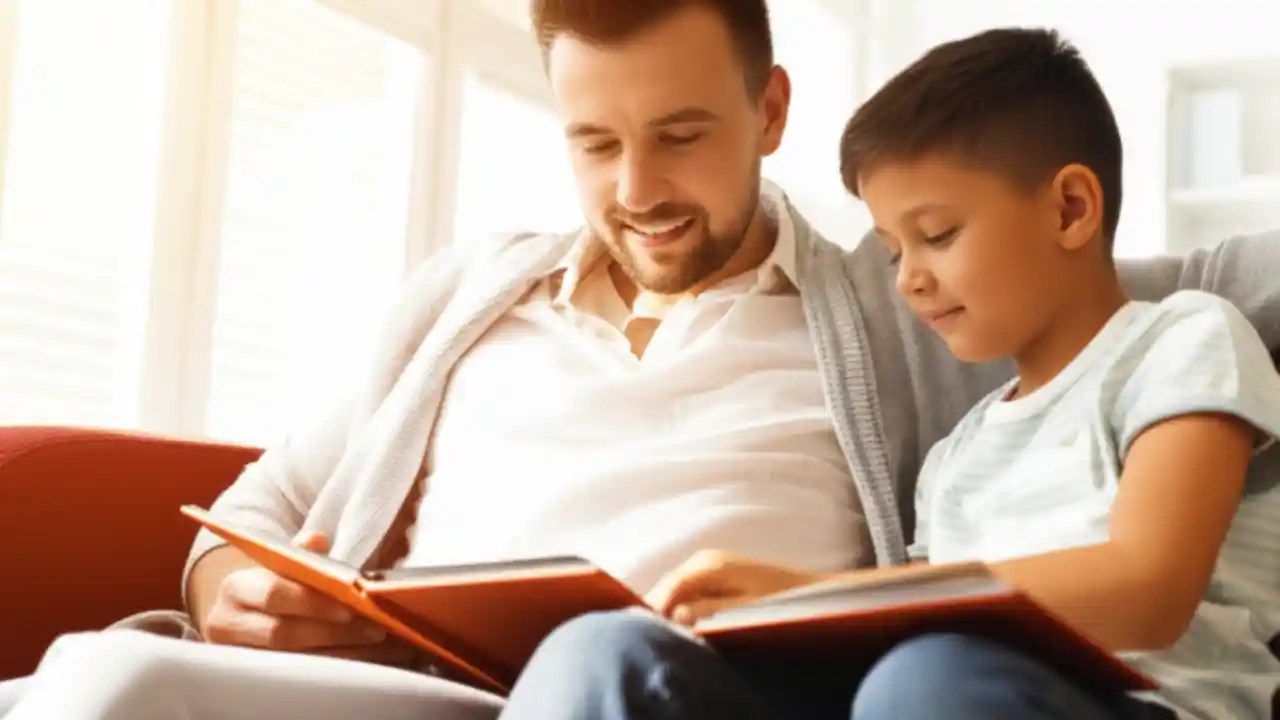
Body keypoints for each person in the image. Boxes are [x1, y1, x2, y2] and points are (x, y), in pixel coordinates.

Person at [3, 3, 1278, 718]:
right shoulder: (468, 294)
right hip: (416, 693)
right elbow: (258, 510)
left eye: (679, 136)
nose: (636, 191)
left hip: (665, 693)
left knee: (594, 660)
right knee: (111, 679)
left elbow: (1113, 293)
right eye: (594, 144)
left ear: (768, 112)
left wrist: (799, 600)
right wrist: (233, 583)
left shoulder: (902, 304)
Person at [498, 27, 1280, 720]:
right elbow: (899, 632)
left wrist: (814, 593)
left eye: (936, 235)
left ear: (1071, 208)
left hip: (1135, 705)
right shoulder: (955, 456)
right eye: (893, 250)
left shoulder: (1182, 339)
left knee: (924, 678)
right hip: (930, 693)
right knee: (602, 652)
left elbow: (1148, 590)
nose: (907, 280)